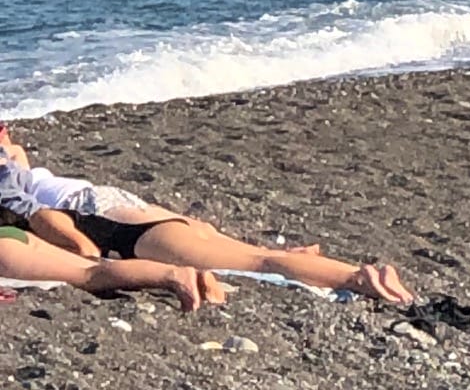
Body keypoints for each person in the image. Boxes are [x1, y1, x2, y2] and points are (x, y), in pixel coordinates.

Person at [0, 129, 414, 305]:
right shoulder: (21, 162)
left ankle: (360, 279)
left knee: (260, 263)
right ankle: (343, 272)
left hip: (111, 222)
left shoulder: (17, 184)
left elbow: (48, 221)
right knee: (257, 257)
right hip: (123, 207)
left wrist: (90, 256)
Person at [0, 224, 225, 310]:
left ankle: (173, 275)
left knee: (89, 276)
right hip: (13, 235)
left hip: (5, 249)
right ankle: (194, 278)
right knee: (94, 265)